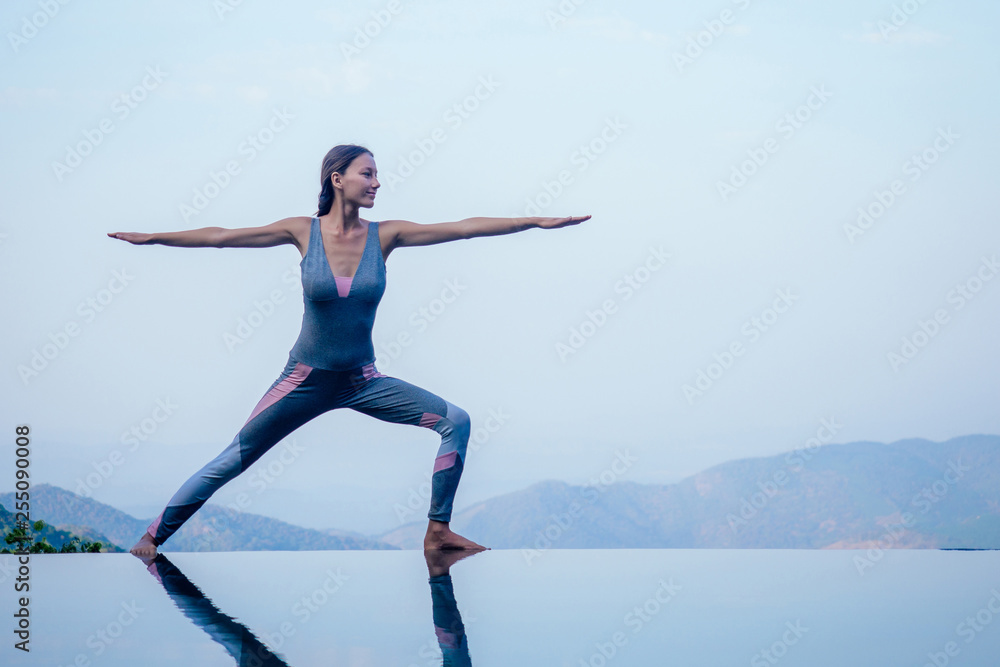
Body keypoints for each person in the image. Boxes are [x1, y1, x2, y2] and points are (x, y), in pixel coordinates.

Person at [109, 144, 590, 557]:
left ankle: (437, 532)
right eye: (368, 173)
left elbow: (464, 227)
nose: (377, 182)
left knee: (456, 422)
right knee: (232, 460)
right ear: (337, 179)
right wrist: (153, 237)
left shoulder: (387, 235)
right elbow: (220, 238)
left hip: (364, 381)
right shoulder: (303, 231)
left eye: (377, 174)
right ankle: (153, 537)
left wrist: (533, 221)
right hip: (304, 381)